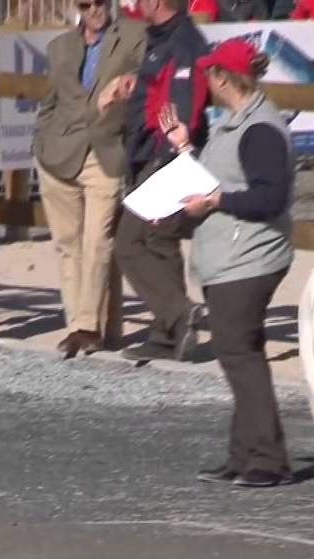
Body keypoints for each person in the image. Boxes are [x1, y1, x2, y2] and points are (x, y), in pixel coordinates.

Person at [159, 39, 295, 488]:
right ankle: (245, 454)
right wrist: (183, 150)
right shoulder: (236, 122)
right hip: (233, 254)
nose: (205, 82)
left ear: (223, 77)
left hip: (249, 256)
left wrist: (216, 200)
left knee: (238, 354)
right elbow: (219, 178)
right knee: (243, 352)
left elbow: (269, 195)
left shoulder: (259, 129)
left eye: (209, 74)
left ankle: (267, 460)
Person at [35, 1, 146, 360]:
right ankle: (80, 327)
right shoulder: (60, 47)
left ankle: (86, 327)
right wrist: (42, 141)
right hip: (58, 153)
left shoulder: (132, 35)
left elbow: (150, 78)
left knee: (98, 240)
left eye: (100, 2)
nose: (95, 9)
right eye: (86, 4)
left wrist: (127, 90)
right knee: (68, 245)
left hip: (106, 151)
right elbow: (49, 103)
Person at [103, 0, 210, 362]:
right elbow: (160, 91)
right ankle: (170, 336)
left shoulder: (184, 43)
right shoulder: (161, 38)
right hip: (153, 157)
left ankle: (180, 314)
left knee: (128, 242)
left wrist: (168, 159)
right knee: (160, 246)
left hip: (168, 160)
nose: (134, 4)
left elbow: (185, 111)